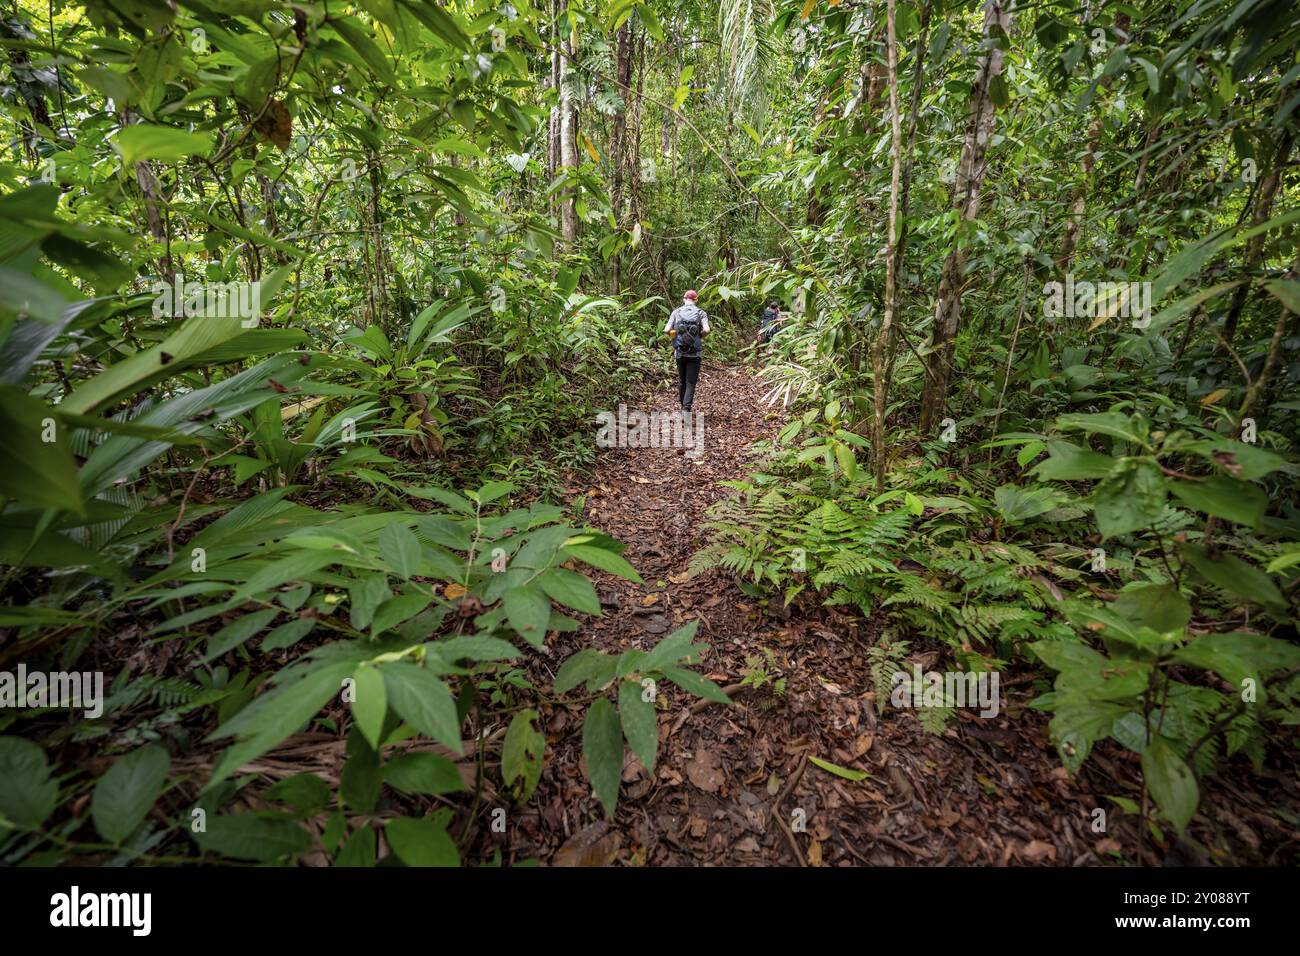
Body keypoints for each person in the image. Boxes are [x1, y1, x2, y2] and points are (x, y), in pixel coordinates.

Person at [664, 289, 710, 412]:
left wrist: (673, 335)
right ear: (696, 300)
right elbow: (706, 330)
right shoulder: (701, 313)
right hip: (695, 353)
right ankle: (686, 408)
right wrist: (700, 335)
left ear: (684, 299)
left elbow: (666, 329)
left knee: (682, 380)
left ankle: (682, 405)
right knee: (691, 382)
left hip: (679, 352)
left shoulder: (676, 312)